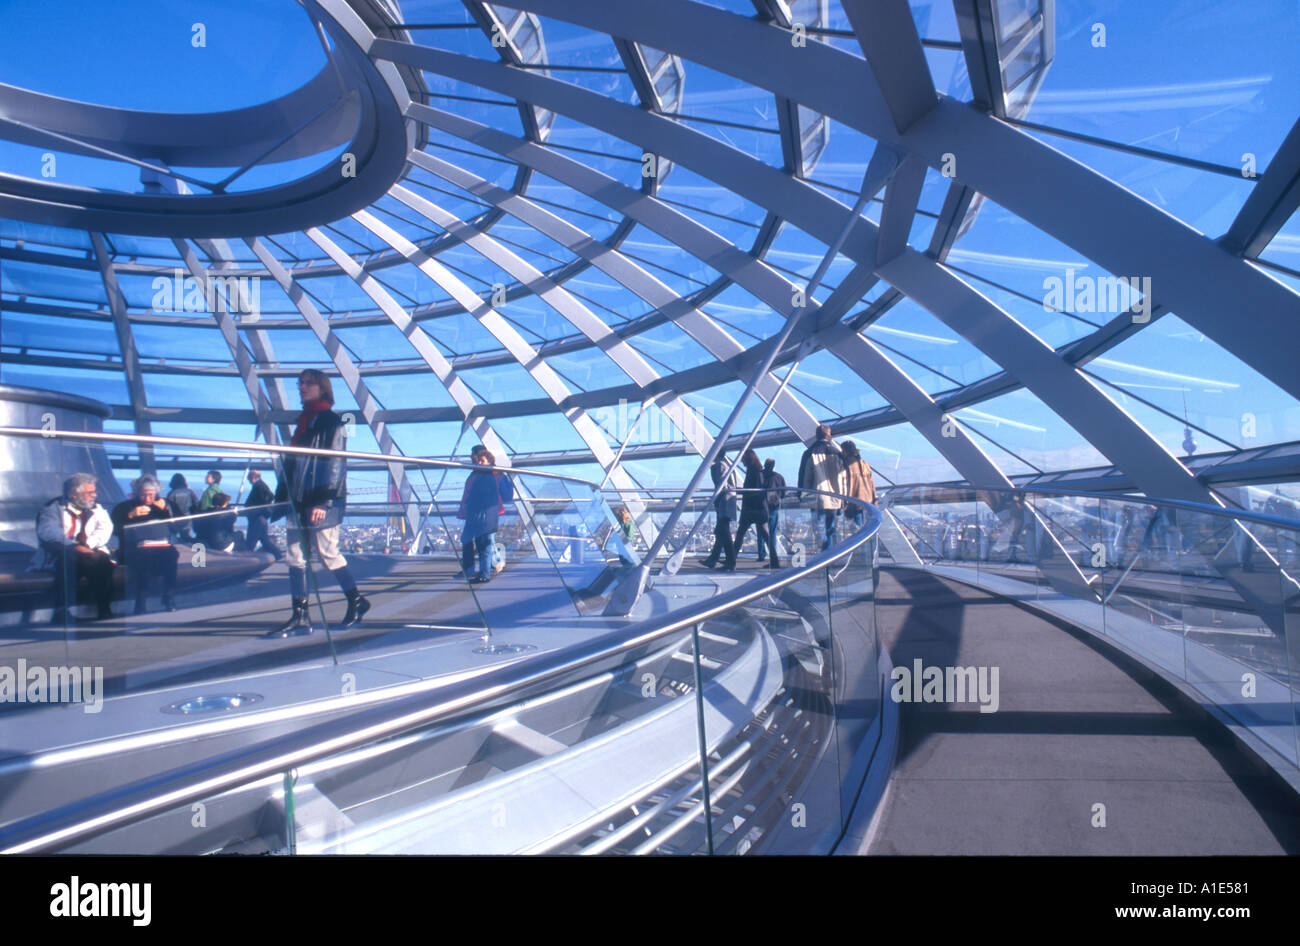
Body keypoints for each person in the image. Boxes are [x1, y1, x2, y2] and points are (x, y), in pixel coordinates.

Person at [269, 369, 370, 636]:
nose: (301, 387)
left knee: (327, 553)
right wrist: (282, 499)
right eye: (299, 382)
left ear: (322, 388)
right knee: (295, 557)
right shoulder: (305, 421)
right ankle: (300, 615)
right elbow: (293, 465)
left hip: (320, 500)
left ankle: (357, 600)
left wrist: (323, 501)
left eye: (308, 383)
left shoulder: (330, 421)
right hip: (300, 502)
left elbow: (335, 462)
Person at [34, 473, 116, 623]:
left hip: (90, 552)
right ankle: (62, 611)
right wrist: (74, 546)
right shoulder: (53, 508)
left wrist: (89, 545)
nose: (95, 496)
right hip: (62, 554)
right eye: (90, 493)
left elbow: (106, 528)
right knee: (71, 559)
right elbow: (48, 532)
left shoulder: (96, 508)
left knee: (102, 560)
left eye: (94, 492)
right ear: (73, 494)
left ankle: (104, 608)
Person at [111, 475, 178, 614]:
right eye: (144, 495)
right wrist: (130, 516)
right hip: (135, 547)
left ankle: (169, 596)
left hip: (161, 545)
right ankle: (141, 600)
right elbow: (115, 531)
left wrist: (167, 511)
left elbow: (180, 526)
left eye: (151, 495)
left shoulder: (165, 505)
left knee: (172, 555)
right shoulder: (124, 507)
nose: (147, 499)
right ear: (136, 493)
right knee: (145, 558)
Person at [458, 448, 514, 583]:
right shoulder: (477, 475)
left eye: (479, 459)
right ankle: (483, 570)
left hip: (486, 514)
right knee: (482, 542)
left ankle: (486, 571)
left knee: (486, 543)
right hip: (479, 514)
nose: (476, 461)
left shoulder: (488, 475)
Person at [798, 425, 846, 551]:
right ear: (829, 436)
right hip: (836, 498)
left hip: (817, 498)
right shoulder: (837, 453)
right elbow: (844, 478)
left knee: (819, 529)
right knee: (831, 529)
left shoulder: (809, 453)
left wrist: (802, 495)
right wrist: (844, 499)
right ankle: (829, 555)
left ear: (817, 435)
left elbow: (805, 477)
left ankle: (823, 557)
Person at [733, 449, 780, 568]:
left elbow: (754, 490)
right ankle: (774, 561)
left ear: (748, 459)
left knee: (740, 535)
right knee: (766, 535)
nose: (742, 461)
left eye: (743, 458)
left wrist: (743, 492)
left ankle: (731, 560)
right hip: (760, 508)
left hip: (751, 509)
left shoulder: (753, 472)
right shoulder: (758, 471)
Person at [700, 453, 738, 571]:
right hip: (728, 500)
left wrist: (716, 499)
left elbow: (721, 485)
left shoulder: (720, 466)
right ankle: (713, 559)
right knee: (721, 531)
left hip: (724, 501)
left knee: (723, 531)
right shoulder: (727, 465)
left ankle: (730, 562)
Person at [242, 470, 282, 558]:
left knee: (251, 539)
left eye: (249, 478)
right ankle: (278, 554)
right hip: (260, 516)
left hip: (257, 517)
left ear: (253, 477)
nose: (248, 480)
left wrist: (259, 507)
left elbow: (269, 496)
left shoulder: (259, 485)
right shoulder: (260, 485)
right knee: (264, 538)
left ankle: (246, 557)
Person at [840, 440, 876, 528]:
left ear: (845, 451)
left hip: (854, 501)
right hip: (867, 501)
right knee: (864, 528)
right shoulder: (864, 463)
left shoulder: (846, 463)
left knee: (856, 529)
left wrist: (844, 501)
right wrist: (875, 500)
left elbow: (844, 483)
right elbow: (872, 483)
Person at [756, 458, 785, 561]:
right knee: (772, 532)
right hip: (773, 506)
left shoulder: (759, 475)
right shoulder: (778, 477)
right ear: (773, 465)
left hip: (760, 506)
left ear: (765, 464)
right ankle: (773, 555)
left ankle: (761, 554)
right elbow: (783, 493)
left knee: (761, 532)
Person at [166, 473, 199, 542]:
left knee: (174, 537)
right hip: (188, 516)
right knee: (186, 535)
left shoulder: (172, 493)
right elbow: (196, 504)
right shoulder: (190, 492)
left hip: (175, 518)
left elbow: (168, 507)